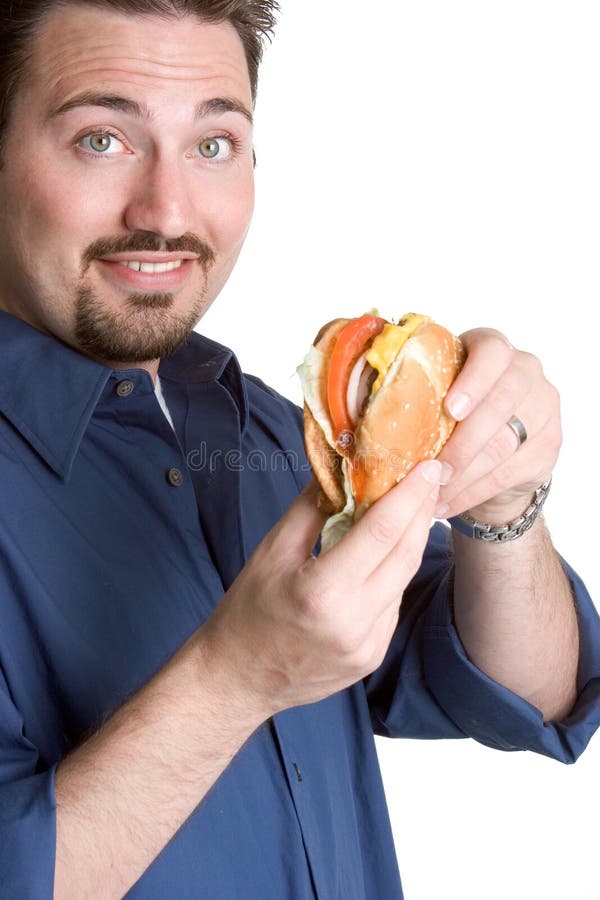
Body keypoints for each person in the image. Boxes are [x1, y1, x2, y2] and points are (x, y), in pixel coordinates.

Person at [0, 1, 598, 897]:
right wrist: (237, 680)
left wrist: (503, 507)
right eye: (102, 139)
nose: (166, 211)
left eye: (213, 144)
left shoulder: (274, 431)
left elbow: (527, 694)